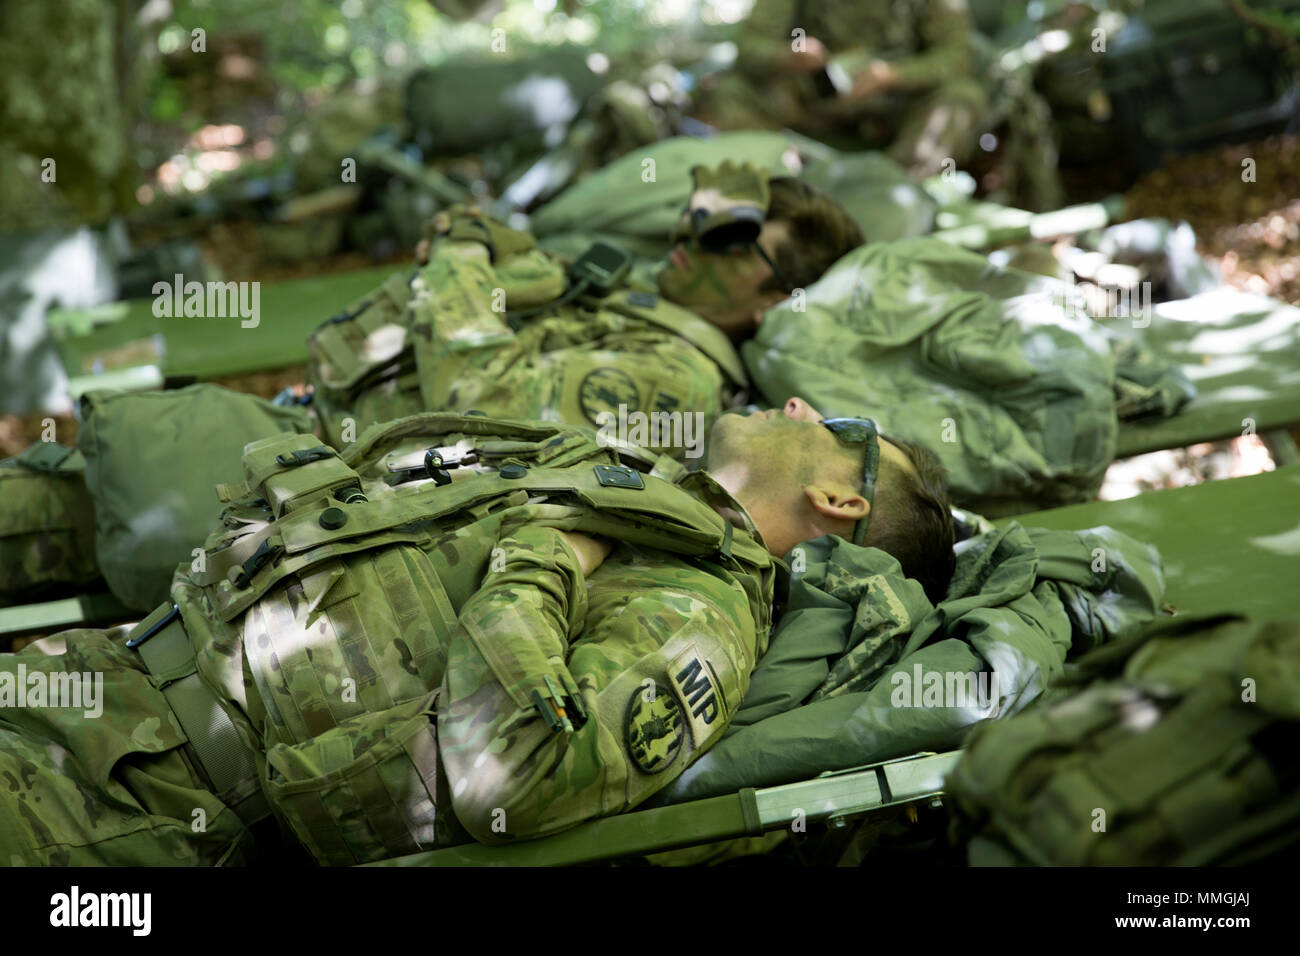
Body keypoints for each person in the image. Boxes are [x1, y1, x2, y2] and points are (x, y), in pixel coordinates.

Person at [0, 397, 955, 865]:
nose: (796, 405)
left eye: (839, 423)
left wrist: (543, 552)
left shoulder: (702, 605)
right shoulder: (627, 489)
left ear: (839, 498)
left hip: (123, 804)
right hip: (91, 690)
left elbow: (518, 776)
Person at [309, 162, 865, 459]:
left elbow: (482, 406)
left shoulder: (680, 384)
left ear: (774, 299)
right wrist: (478, 241)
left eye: (733, 239)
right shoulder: (635, 292)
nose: (695, 239)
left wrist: (460, 257)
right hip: (321, 420)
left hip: (339, 471)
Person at [699, 0, 991, 178]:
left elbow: (956, 56)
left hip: (894, 112)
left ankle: (894, 188)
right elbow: (749, 47)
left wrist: (893, 75)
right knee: (733, 92)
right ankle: (780, 184)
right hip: (812, 102)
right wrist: (787, 55)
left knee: (962, 98)